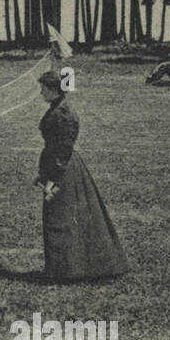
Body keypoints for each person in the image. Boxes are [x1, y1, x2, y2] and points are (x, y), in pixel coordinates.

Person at [33, 70, 128, 281]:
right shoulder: (57, 109)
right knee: (59, 216)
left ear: (52, 89)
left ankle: (66, 270)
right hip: (58, 166)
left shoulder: (62, 114)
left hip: (64, 169)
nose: (41, 93)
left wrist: (52, 177)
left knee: (60, 218)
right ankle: (63, 267)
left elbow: (64, 148)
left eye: (43, 89)